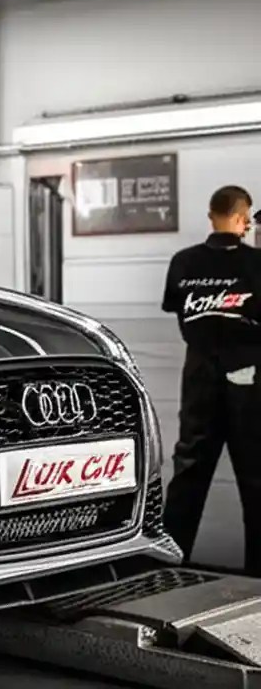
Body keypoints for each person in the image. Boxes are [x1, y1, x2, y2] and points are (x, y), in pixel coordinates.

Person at [161, 185, 261, 576]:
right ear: (240, 219)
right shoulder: (257, 264)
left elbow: (177, 308)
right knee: (255, 479)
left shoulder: (183, 262)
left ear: (210, 216)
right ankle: (257, 575)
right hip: (249, 382)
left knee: (188, 476)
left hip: (199, 379)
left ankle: (168, 563)